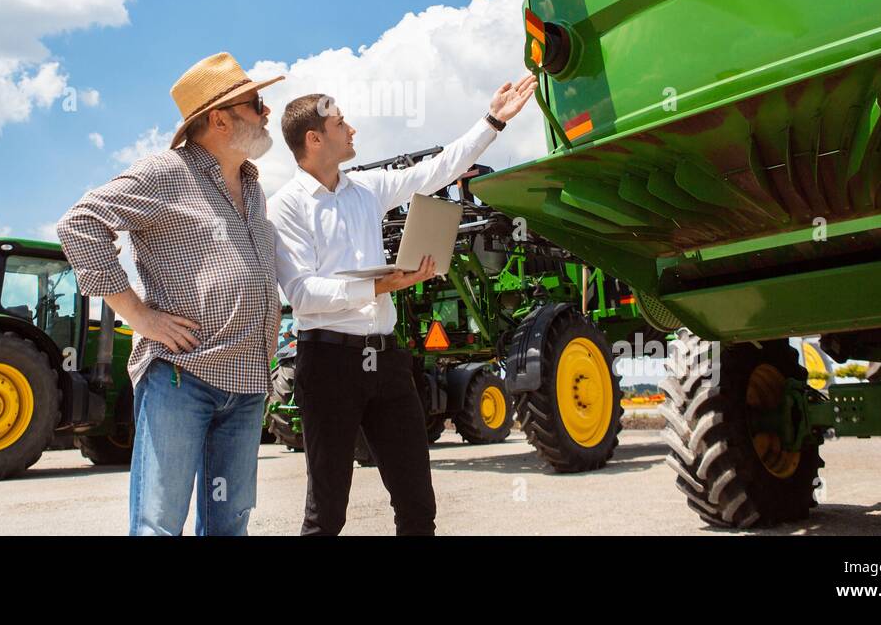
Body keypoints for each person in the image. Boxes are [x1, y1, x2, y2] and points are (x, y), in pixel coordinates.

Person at [268, 76, 538, 534]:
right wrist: (378, 286)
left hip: (388, 361)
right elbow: (303, 294)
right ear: (314, 139)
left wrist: (493, 120)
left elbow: (438, 169)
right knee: (327, 513)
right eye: (341, 123)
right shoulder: (285, 207)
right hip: (328, 362)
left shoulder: (366, 189)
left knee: (417, 505)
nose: (352, 130)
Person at [56, 52, 283, 535]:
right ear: (220, 118)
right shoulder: (165, 173)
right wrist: (139, 317)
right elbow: (79, 224)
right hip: (184, 377)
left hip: (246, 382)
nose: (267, 113)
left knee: (230, 524)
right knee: (159, 523)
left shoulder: (253, 186)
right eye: (256, 103)